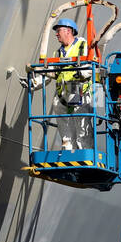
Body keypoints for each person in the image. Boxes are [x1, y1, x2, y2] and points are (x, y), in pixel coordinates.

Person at [47, 17, 94, 150]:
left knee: (82, 129)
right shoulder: (57, 52)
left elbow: (91, 65)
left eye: (58, 30)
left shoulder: (83, 46)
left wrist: (84, 73)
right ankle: (69, 154)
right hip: (62, 95)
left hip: (77, 90)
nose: (56, 34)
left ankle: (85, 156)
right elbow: (50, 73)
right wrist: (35, 81)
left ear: (68, 31)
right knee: (65, 132)